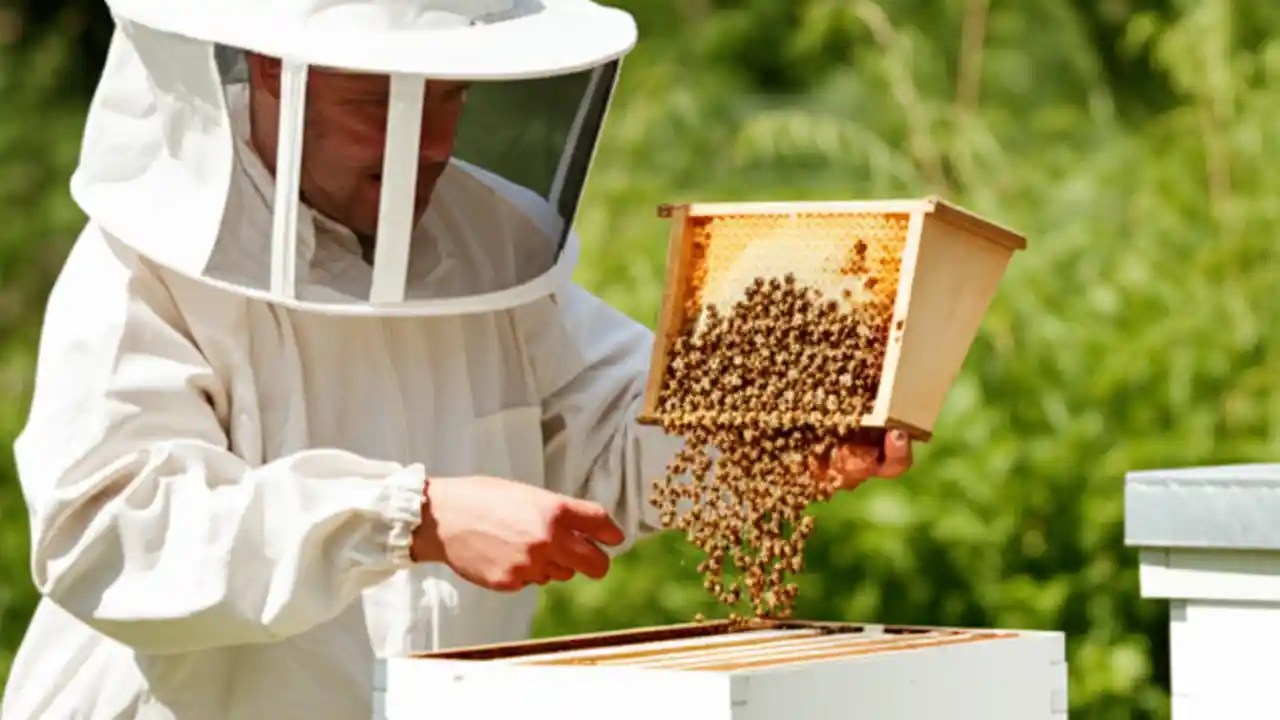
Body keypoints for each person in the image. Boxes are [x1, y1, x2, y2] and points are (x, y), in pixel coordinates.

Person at [1, 1, 914, 718]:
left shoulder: (490, 235)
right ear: (278, 72)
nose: (432, 143)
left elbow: (610, 429)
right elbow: (111, 534)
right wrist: (414, 516)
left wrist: (773, 430)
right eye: (381, 106)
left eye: (452, 97)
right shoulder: (150, 257)